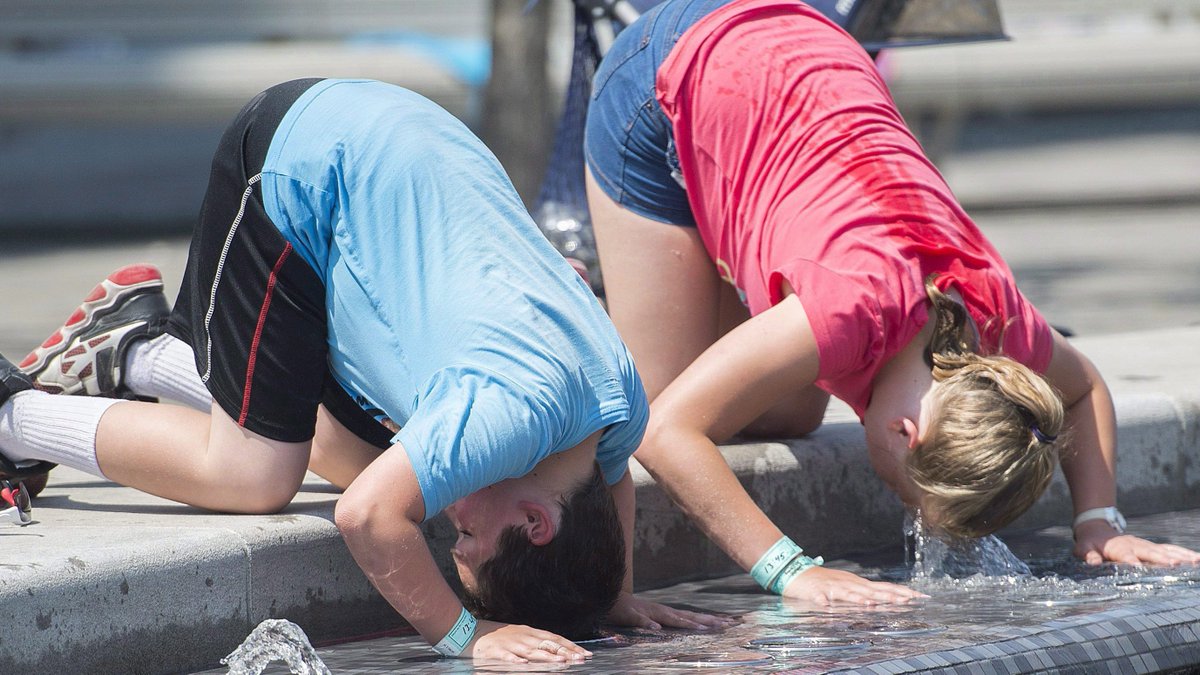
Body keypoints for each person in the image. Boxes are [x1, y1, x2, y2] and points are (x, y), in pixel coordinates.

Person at [0, 78, 724, 663]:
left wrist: (610, 597)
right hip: (296, 162)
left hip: (403, 137)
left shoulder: (612, 402)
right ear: (534, 521)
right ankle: (13, 414)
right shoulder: (505, 411)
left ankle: (138, 350)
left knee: (362, 462)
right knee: (252, 475)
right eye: (469, 543)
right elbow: (368, 519)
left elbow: (613, 479)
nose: (453, 530)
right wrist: (465, 636)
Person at [582, 0, 1200, 604]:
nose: (913, 517)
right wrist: (790, 571)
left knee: (786, 415)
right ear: (907, 434)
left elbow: (1082, 387)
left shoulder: (993, 325)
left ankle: (716, 251)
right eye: (911, 501)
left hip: (808, 48)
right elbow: (664, 434)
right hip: (669, 69)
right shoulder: (845, 311)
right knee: (647, 402)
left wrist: (1099, 522)